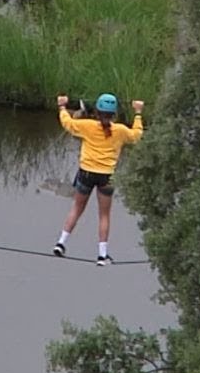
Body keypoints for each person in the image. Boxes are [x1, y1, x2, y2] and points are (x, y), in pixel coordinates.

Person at [53, 92, 144, 266]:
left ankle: (61, 243)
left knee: (77, 208)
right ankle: (102, 256)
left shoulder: (87, 126)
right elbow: (136, 135)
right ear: (114, 114)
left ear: (96, 111)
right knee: (104, 215)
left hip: (86, 173)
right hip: (107, 176)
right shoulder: (120, 131)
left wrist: (62, 106)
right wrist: (138, 113)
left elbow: (68, 123)